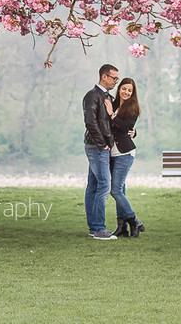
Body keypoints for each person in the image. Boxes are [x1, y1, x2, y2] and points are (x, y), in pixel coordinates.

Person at [82, 63, 119, 239]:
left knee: (94, 186)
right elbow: (90, 122)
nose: (116, 82)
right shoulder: (92, 96)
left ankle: (93, 228)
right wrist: (102, 143)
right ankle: (98, 228)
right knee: (105, 184)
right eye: (114, 78)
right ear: (104, 76)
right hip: (97, 147)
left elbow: (110, 122)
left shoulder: (107, 97)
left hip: (100, 146)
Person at [109, 77, 145, 238]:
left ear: (133, 93)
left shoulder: (133, 108)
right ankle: (122, 227)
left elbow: (125, 127)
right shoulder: (114, 103)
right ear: (119, 89)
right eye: (124, 88)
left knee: (115, 190)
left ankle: (133, 220)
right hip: (112, 152)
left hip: (125, 153)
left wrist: (112, 115)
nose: (126, 92)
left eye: (129, 90)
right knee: (120, 190)